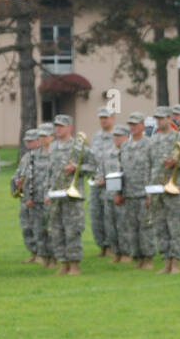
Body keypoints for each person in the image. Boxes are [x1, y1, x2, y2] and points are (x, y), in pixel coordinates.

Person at [46, 115, 97, 275]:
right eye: (56, 126)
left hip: (73, 195)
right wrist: (46, 192)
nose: (58, 129)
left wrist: (77, 168)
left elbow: (94, 167)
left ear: (70, 128)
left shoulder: (78, 146)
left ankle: (74, 264)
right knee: (57, 230)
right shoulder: (52, 147)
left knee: (72, 229)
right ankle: (64, 262)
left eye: (62, 126)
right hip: (56, 194)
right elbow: (49, 171)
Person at [149, 107, 180, 274]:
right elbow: (150, 166)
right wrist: (149, 190)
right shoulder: (153, 140)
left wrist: (177, 163)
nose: (159, 121)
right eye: (157, 118)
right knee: (160, 227)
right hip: (157, 189)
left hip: (176, 188)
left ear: (169, 119)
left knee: (175, 226)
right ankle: (166, 260)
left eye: (162, 118)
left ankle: (176, 262)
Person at [117, 112, 156, 269]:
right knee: (131, 228)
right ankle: (137, 257)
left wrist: (150, 192)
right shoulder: (125, 145)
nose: (132, 127)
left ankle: (148, 258)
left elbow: (154, 168)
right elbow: (121, 170)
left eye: (135, 124)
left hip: (143, 192)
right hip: (129, 192)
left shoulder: (149, 144)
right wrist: (118, 192)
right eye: (130, 125)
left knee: (145, 227)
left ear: (142, 125)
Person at [88, 106, 117, 258]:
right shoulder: (96, 137)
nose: (103, 120)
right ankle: (102, 245)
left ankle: (113, 245)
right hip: (96, 181)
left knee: (110, 215)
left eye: (106, 117)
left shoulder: (118, 135)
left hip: (112, 181)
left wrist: (107, 178)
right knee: (96, 214)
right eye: (101, 118)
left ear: (113, 118)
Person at [98, 123, 129, 261]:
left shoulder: (130, 152)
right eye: (115, 136)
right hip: (109, 194)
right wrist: (101, 179)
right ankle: (116, 252)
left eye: (119, 136)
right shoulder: (108, 154)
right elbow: (102, 171)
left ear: (127, 137)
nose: (116, 138)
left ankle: (127, 253)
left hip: (125, 195)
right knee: (111, 226)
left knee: (124, 225)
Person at [14, 129, 41, 263]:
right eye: (27, 141)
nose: (28, 144)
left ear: (38, 141)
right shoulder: (25, 157)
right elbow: (18, 173)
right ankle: (34, 252)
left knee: (39, 226)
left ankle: (43, 254)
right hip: (25, 198)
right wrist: (16, 182)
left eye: (31, 141)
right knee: (27, 226)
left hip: (37, 198)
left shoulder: (42, 156)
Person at [33, 123, 56, 266]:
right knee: (39, 228)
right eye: (40, 136)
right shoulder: (34, 155)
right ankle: (43, 256)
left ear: (52, 137)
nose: (42, 139)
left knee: (52, 228)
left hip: (51, 196)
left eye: (45, 136)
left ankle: (54, 257)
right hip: (37, 197)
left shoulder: (56, 153)